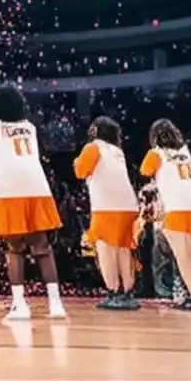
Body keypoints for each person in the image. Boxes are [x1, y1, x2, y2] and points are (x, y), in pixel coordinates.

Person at [0, 84, 65, 320]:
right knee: (42, 247)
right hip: (37, 188)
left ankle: (20, 305)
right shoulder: (29, 127)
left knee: (15, 249)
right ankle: (55, 304)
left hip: (10, 190)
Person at [140, 119, 191, 310]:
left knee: (182, 254)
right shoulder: (184, 152)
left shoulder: (156, 153)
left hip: (176, 207)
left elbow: (144, 170)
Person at [73, 116, 140, 310]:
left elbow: (80, 171)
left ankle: (113, 291)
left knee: (105, 248)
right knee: (123, 248)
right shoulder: (117, 151)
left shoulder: (93, 147)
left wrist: (77, 161)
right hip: (128, 206)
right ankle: (128, 293)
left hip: (106, 207)